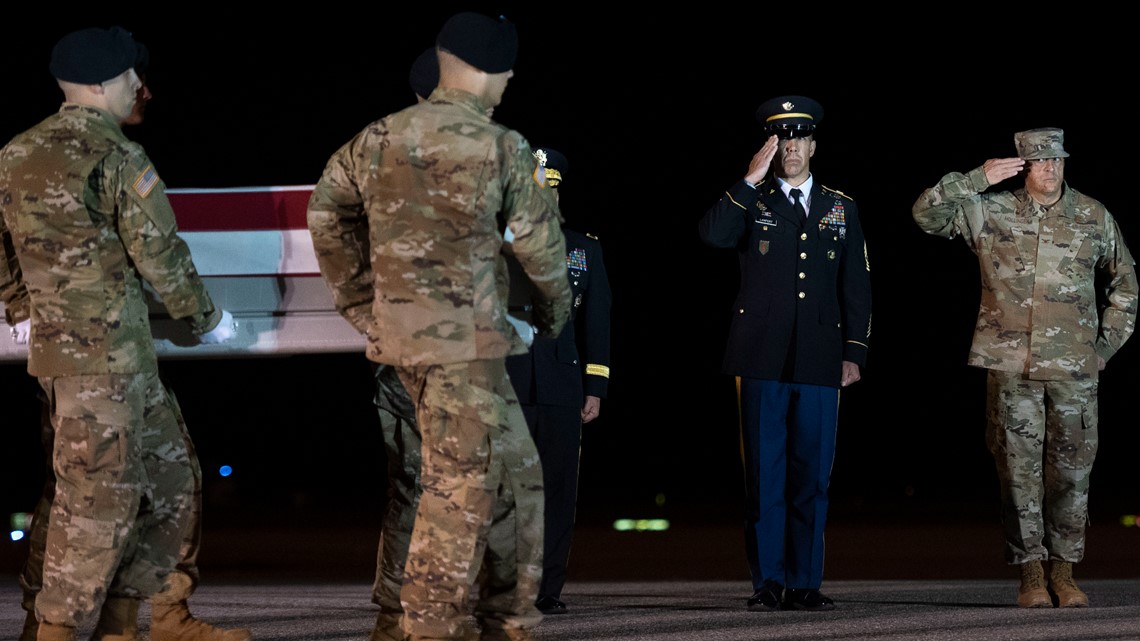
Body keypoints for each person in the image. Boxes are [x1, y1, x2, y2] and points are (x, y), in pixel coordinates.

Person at [306, 11, 571, 641]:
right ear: (494, 72)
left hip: (406, 342)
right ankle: (429, 627)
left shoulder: (375, 138)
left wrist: (361, 304)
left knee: (517, 477)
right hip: (466, 343)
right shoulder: (500, 144)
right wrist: (552, 316)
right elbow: (543, 251)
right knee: (460, 491)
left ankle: (502, 620)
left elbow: (325, 214)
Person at [4, 34, 252, 641]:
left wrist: (17, 305)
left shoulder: (15, 154)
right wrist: (206, 319)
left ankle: (143, 619)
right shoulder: (115, 153)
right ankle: (58, 630)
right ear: (100, 84)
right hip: (103, 363)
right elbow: (160, 252)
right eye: (131, 77)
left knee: (171, 478)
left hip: (101, 361)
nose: (141, 88)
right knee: (97, 501)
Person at [912, 127, 1138, 608]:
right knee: (1018, 472)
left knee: (1073, 472)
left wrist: (1105, 348)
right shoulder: (991, 210)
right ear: (1023, 166)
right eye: (1039, 162)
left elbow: (1126, 284)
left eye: (1057, 160)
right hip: (1011, 364)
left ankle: (1065, 571)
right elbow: (926, 215)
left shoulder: (1092, 215)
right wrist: (976, 178)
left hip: (1075, 370)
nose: (1050, 169)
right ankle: (1031, 573)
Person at [698, 95, 872, 612]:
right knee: (765, 476)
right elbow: (712, 235)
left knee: (812, 477)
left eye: (799, 139)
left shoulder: (841, 206)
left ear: (813, 145)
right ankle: (768, 581)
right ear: (769, 147)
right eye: (781, 140)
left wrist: (854, 352)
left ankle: (804, 581)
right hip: (758, 357)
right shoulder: (753, 199)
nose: (791, 148)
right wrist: (748, 181)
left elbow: (857, 284)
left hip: (819, 357)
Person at [504, 147, 611, 615]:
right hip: (506, 385)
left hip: (562, 388)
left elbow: (598, 323)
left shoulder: (584, 248)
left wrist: (597, 385)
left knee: (558, 491)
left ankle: (546, 590)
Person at [365, 45, 434, 641]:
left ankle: (396, 611)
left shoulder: (374, 149)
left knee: (414, 483)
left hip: (402, 347)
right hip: (434, 352)